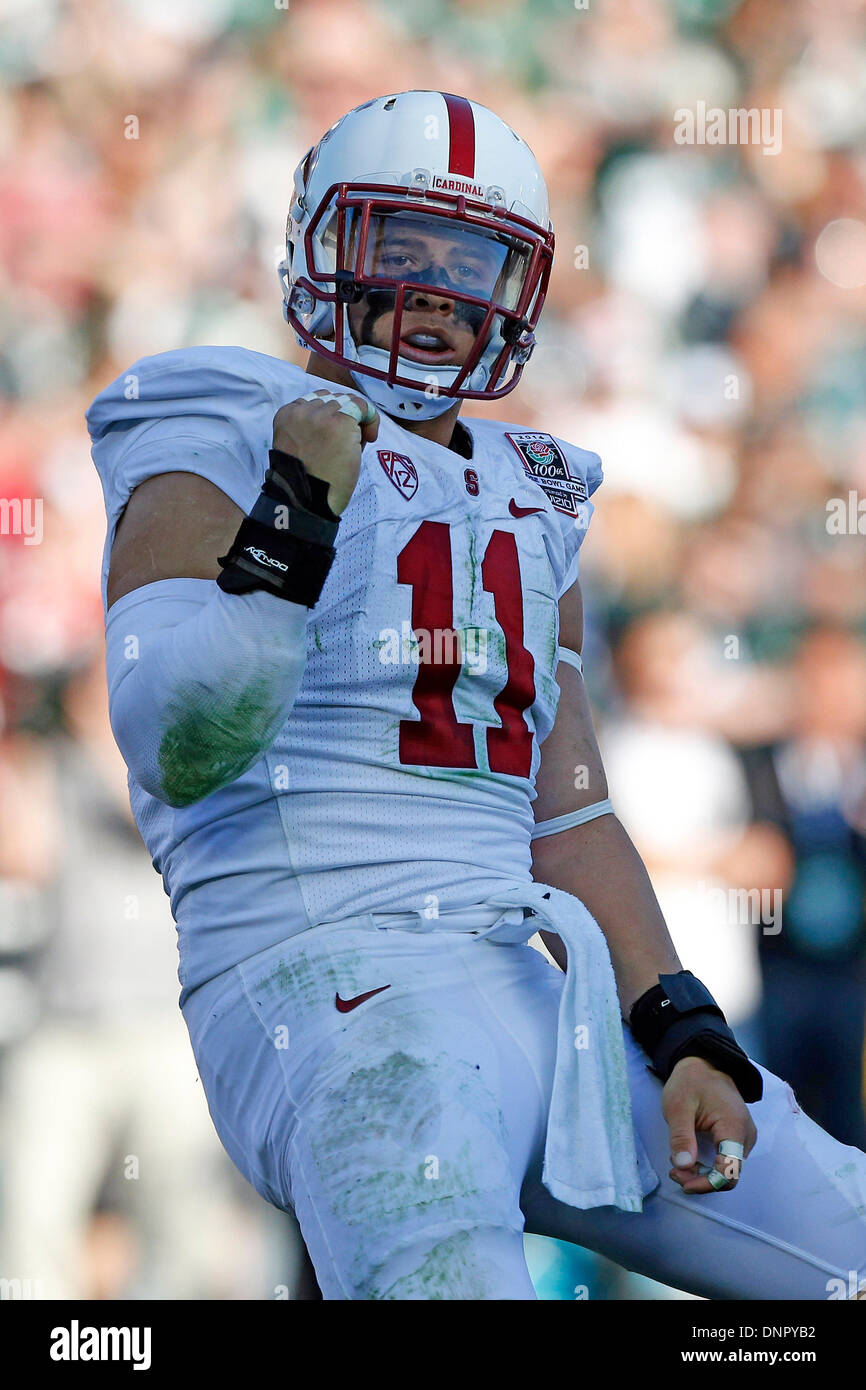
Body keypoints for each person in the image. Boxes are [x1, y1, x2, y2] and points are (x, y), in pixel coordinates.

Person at [87, 91, 866, 1300]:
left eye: (476, 260)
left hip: (531, 982)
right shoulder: (216, 417)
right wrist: (293, 512)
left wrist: (676, 1020)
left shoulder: (534, 486)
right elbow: (177, 743)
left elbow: (566, 814)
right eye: (402, 248)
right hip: (324, 986)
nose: (441, 289)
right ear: (318, 245)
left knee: (843, 1252)